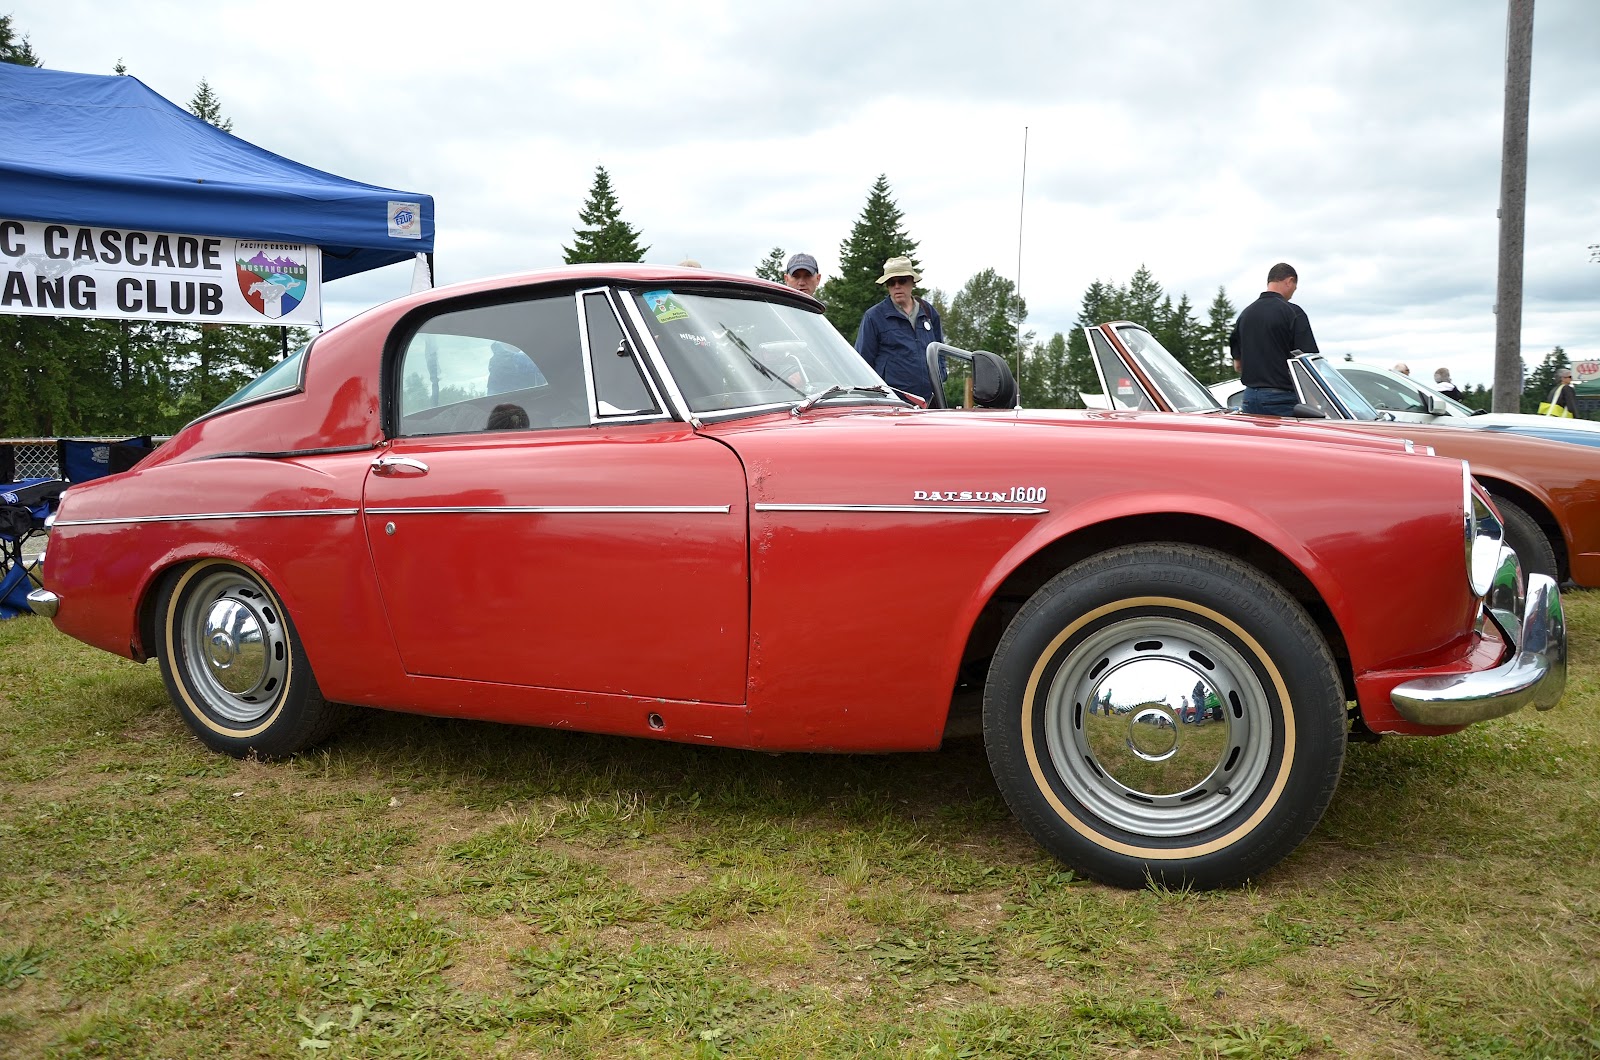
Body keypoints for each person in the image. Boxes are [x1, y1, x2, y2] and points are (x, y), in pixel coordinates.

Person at [1228, 263, 1318, 416]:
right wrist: (1315, 404)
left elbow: (1238, 365)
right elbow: (1307, 366)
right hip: (1282, 399)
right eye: (1294, 289)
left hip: (1249, 398)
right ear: (1289, 281)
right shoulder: (1293, 312)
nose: (1292, 295)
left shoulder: (1245, 315)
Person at [855, 256, 944, 404]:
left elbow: (940, 351)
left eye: (901, 281)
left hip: (930, 402)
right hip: (891, 403)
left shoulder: (928, 312)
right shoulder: (874, 317)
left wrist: (940, 376)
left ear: (912, 282)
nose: (896, 286)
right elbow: (862, 362)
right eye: (891, 282)